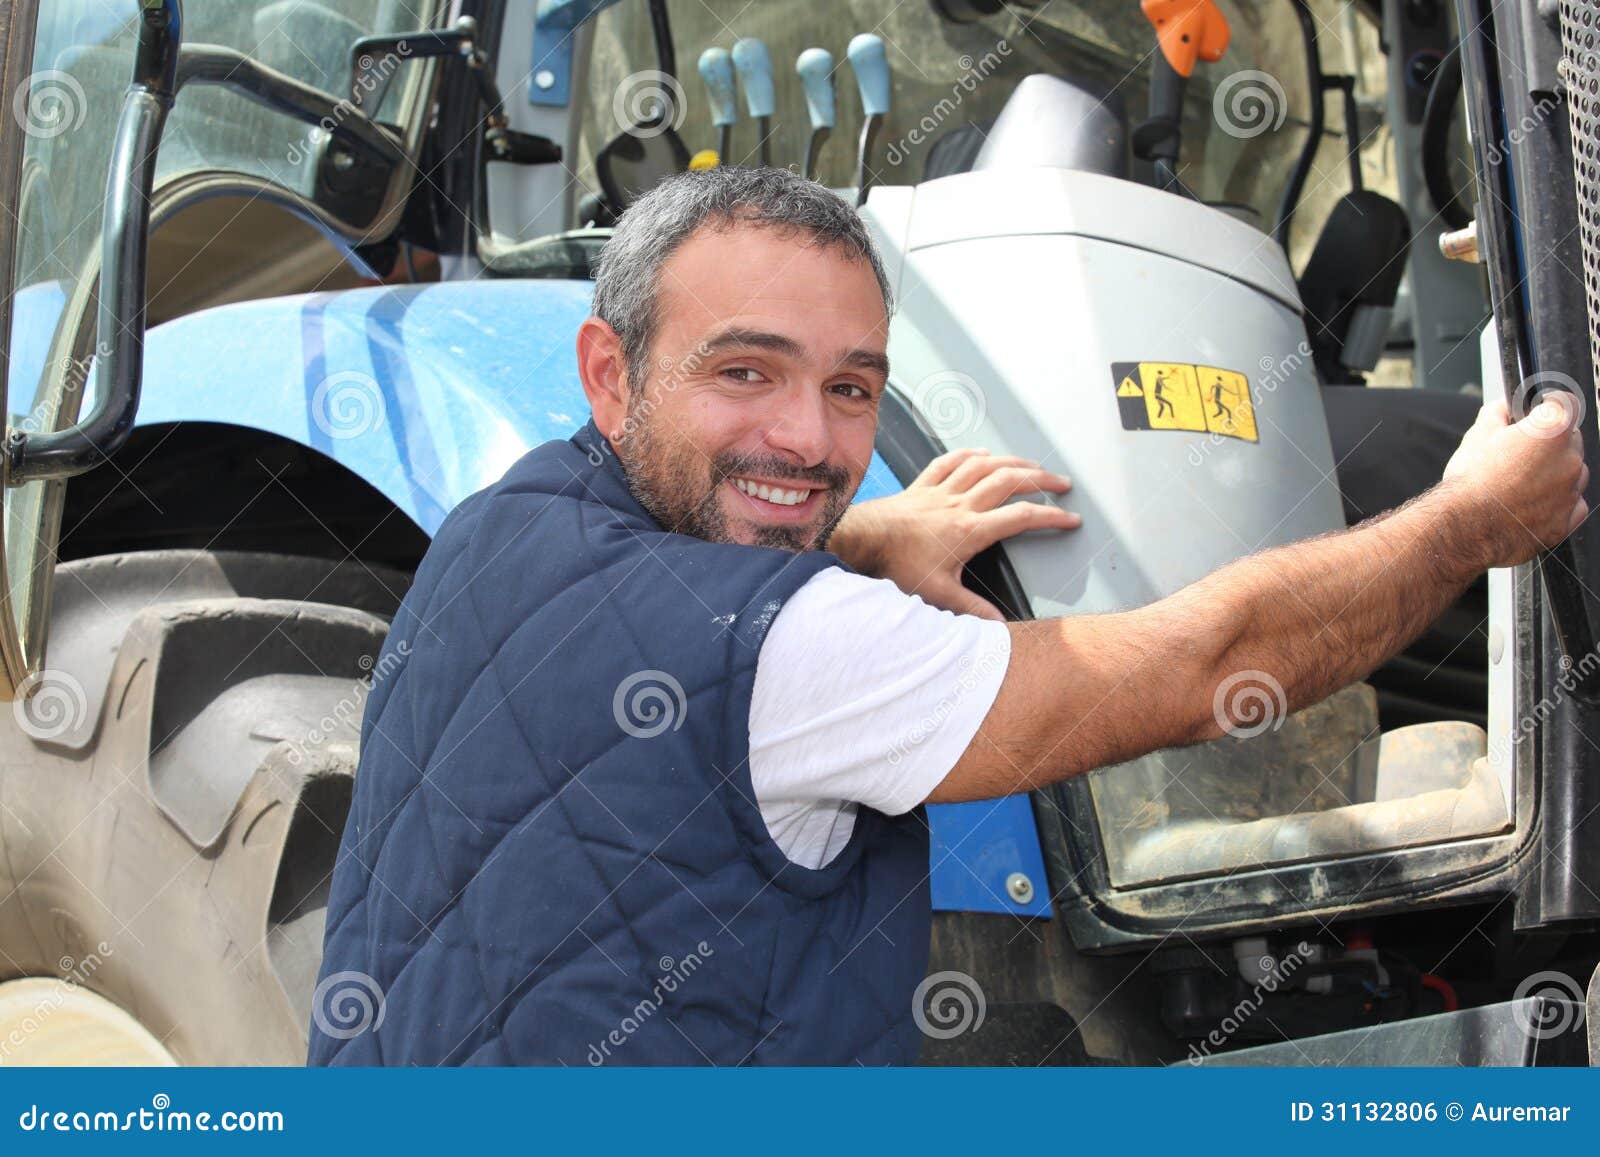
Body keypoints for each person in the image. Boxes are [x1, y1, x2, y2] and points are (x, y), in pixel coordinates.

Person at [308, 166, 1586, 1067]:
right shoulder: (802, 652)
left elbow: (676, 615)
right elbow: (1215, 665)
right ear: (610, 370)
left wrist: (862, 532)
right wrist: (1473, 518)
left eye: (852, 387)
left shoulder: (495, 525)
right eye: (745, 371)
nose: (809, 441)